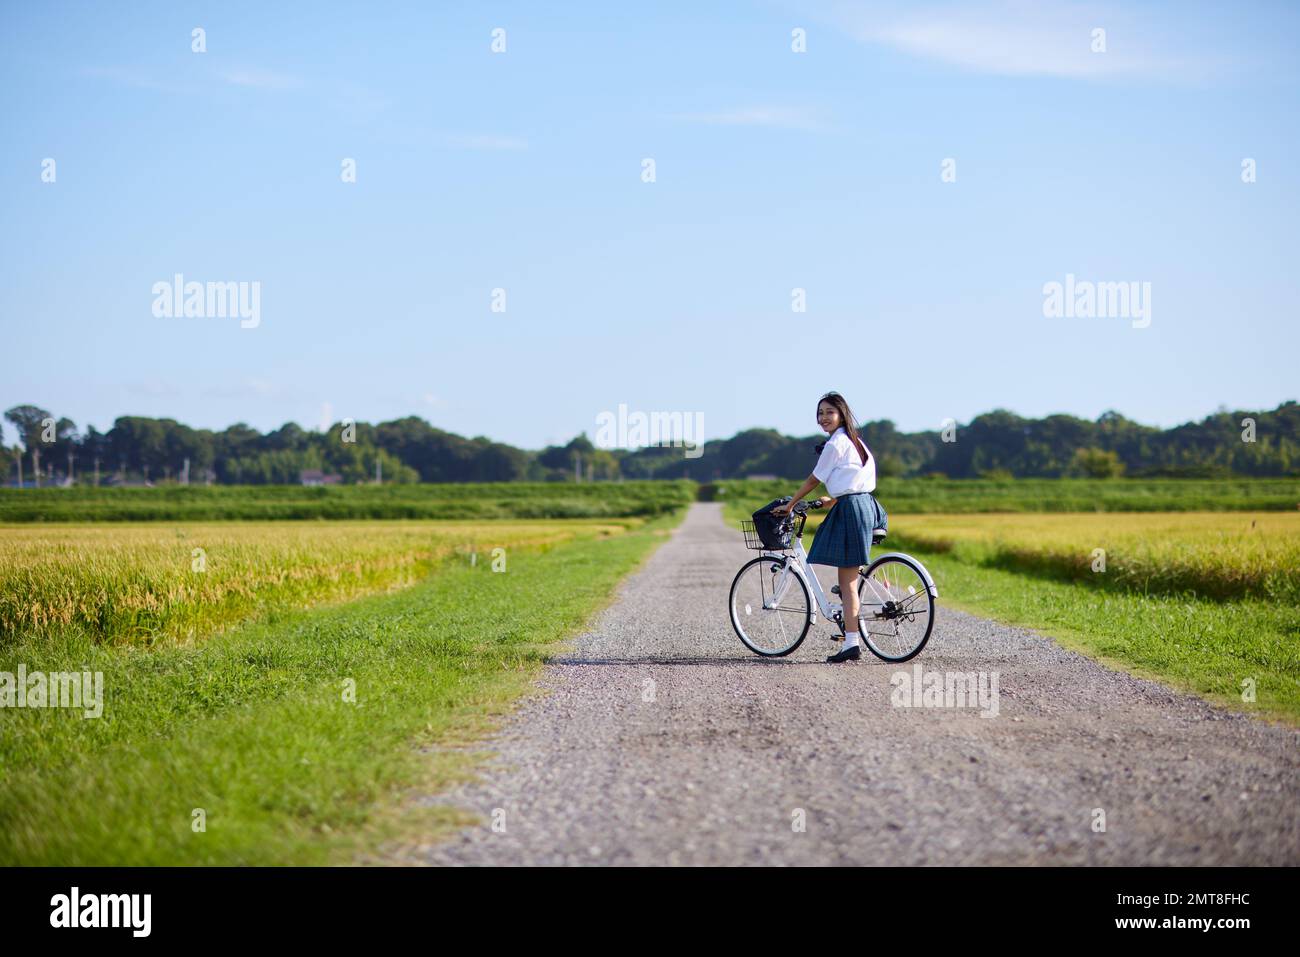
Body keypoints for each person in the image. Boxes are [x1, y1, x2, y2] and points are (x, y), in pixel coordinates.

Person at [771, 391, 882, 663]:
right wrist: (831, 500)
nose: (823, 418)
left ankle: (852, 644)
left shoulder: (836, 444)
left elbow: (813, 479)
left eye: (829, 412)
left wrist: (790, 505)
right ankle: (849, 633)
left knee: (847, 584)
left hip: (851, 510)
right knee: (849, 579)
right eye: (820, 413)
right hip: (867, 505)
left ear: (841, 414)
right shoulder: (858, 443)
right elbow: (855, 481)